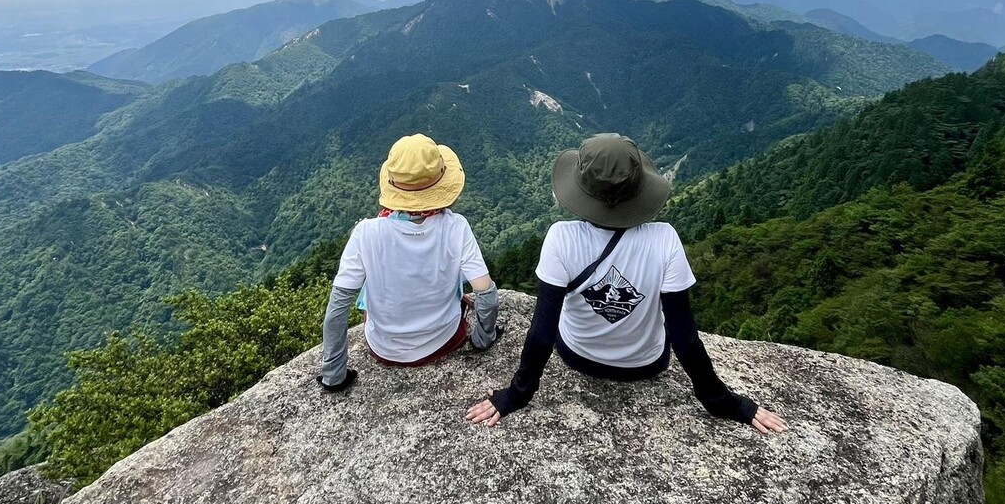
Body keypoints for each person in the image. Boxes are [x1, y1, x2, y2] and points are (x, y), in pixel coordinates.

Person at [466, 133, 787, 434]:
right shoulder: (665, 239)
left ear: (582, 191)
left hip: (578, 354)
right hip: (647, 363)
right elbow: (685, 338)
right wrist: (721, 399)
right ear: (638, 190)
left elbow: (541, 334)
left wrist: (516, 396)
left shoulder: (560, 238)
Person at [318, 134, 500, 392]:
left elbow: (337, 309)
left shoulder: (366, 232)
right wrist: (483, 339)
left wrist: (334, 375)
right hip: (444, 340)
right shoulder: (456, 227)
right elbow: (487, 294)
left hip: (383, 349)